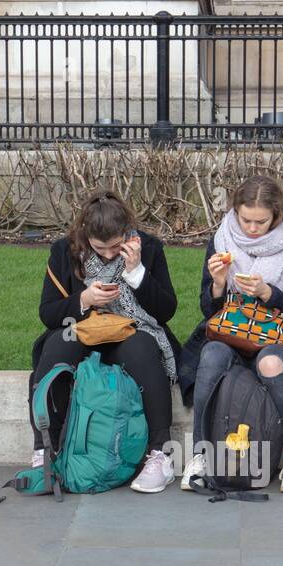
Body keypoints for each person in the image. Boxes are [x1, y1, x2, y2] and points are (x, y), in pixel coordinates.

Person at [176, 175, 283, 494]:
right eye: (245, 219)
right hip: (230, 335)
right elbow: (209, 311)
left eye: (260, 222)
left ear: (276, 216)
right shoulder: (222, 240)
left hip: (278, 340)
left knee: (270, 365)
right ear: (235, 212)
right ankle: (200, 456)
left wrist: (268, 292)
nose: (251, 228)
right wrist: (220, 283)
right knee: (210, 356)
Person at [28, 190, 181, 493]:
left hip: (131, 332)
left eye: (116, 246)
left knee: (144, 348)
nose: (110, 254)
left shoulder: (148, 248)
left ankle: (160, 454)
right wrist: (84, 299)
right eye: (101, 248)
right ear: (85, 236)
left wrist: (136, 273)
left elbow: (166, 310)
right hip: (83, 330)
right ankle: (45, 450)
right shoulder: (64, 252)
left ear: (127, 233)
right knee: (58, 344)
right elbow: (48, 313)